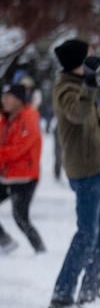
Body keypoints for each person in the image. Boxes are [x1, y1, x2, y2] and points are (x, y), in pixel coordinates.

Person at [48, 39, 100, 308]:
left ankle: (90, 288)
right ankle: (62, 295)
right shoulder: (65, 87)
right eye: (88, 56)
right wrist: (89, 80)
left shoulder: (81, 85)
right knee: (87, 233)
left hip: (97, 167)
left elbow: (89, 115)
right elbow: (77, 113)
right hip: (84, 171)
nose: (93, 59)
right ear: (78, 61)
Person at [0, 83, 46, 254]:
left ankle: (40, 250)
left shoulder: (29, 116)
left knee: (20, 217)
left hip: (25, 177)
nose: (4, 100)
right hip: (6, 176)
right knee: (20, 217)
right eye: (3, 96)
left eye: (8, 97)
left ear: (19, 100)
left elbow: (19, 147)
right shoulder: (5, 119)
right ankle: (5, 242)